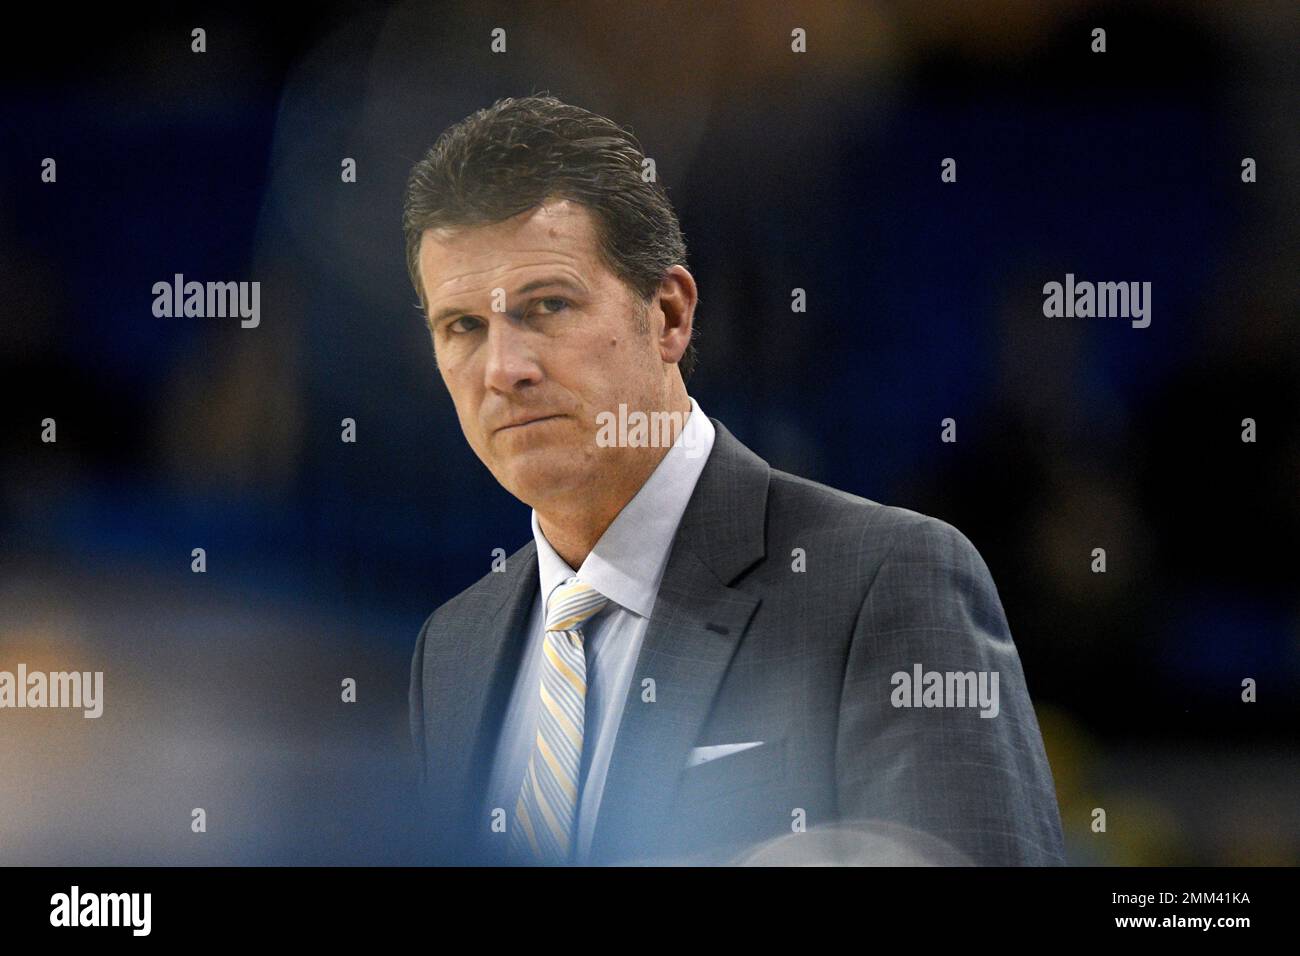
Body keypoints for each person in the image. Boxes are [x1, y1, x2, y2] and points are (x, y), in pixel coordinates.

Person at [404, 94, 1065, 866]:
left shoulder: (884, 580)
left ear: (670, 315)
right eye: (464, 327)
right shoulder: (450, 650)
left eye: (547, 305)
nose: (504, 370)